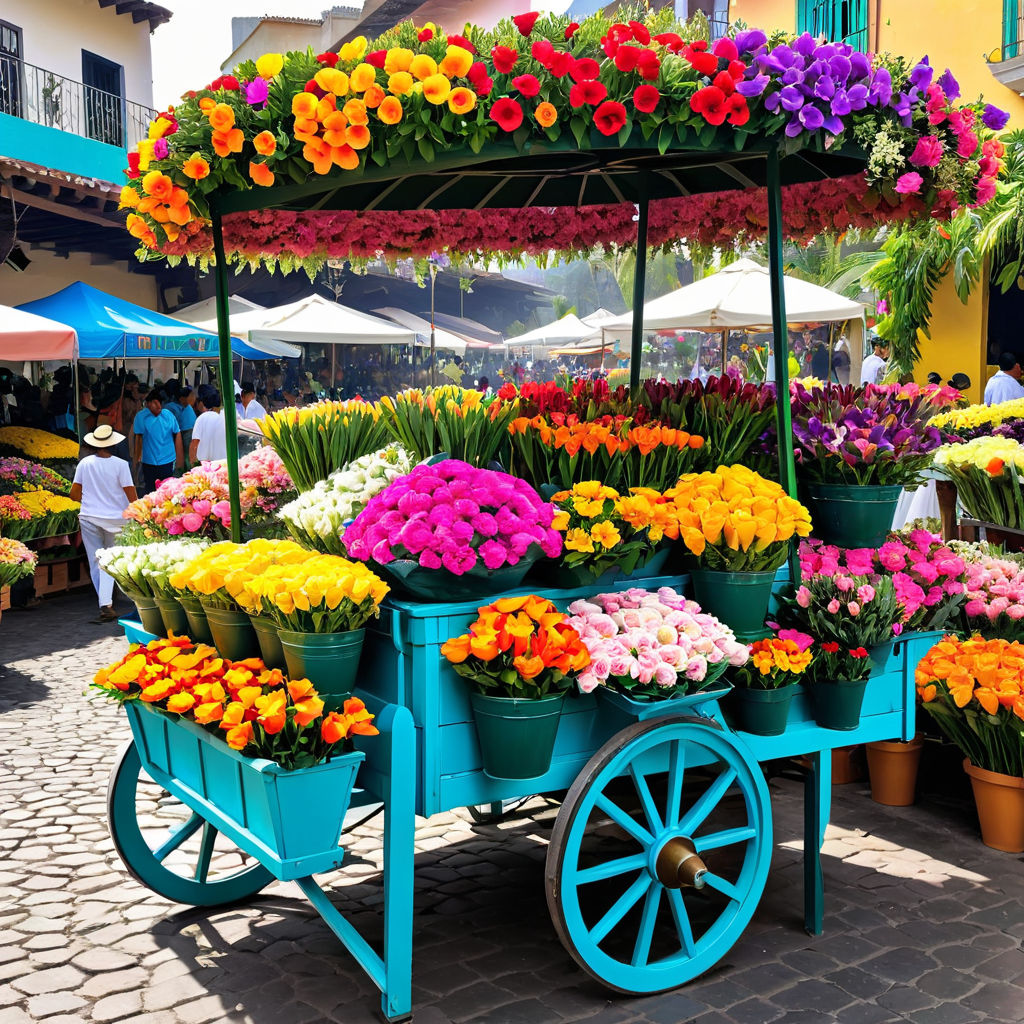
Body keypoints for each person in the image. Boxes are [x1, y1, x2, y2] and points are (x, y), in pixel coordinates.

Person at [71, 424, 138, 622]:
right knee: (110, 559)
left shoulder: (85, 463)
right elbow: (130, 492)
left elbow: (74, 494)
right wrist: (139, 511)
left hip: (89, 517)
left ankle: (105, 603)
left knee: (97, 561)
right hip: (117, 519)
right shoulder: (121, 464)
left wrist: (91, 500)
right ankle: (106, 602)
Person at [133, 389, 182, 493]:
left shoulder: (168, 415)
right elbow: (138, 439)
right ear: (148, 404)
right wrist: (136, 462)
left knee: (167, 490)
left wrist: (179, 460)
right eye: (155, 403)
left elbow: (177, 433)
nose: (158, 405)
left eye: (160, 402)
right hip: (149, 461)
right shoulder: (141, 417)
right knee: (150, 491)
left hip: (168, 460)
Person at [190, 386, 227, 464]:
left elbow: (194, 444)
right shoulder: (225, 416)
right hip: (223, 464)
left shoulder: (201, 418)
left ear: (201, 402)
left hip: (205, 466)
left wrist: (193, 466)